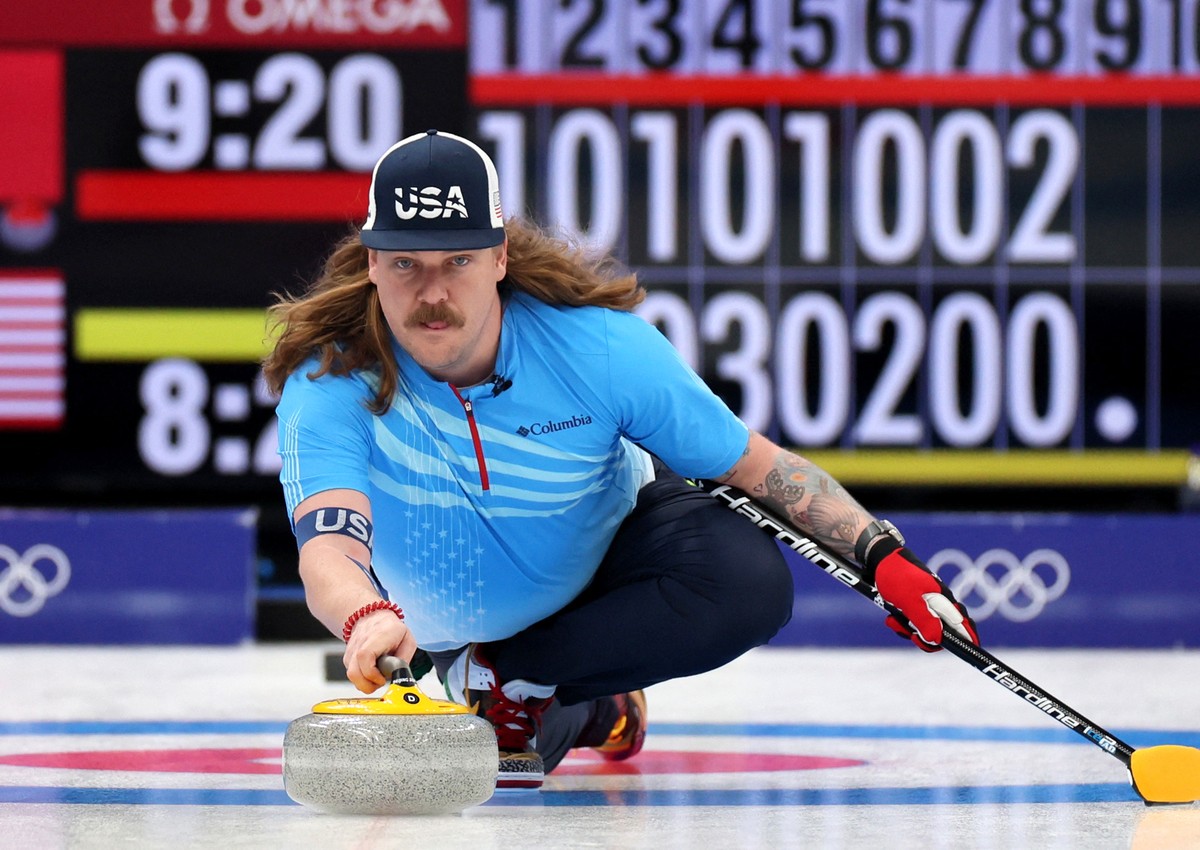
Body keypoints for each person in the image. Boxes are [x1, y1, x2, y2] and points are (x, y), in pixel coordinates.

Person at [261, 129, 980, 790]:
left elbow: (760, 468)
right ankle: (588, 706)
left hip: (607, 562)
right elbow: (328, 549)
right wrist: (366, 617)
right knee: (500, 763)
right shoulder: (330, 383)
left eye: (460, 260)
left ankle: (513, 677)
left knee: (749, 581)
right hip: (452, 627)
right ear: (372, 263)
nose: (435, 292)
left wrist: (885, 558)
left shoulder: (597, 348)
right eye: (407, 265)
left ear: (501, 257)